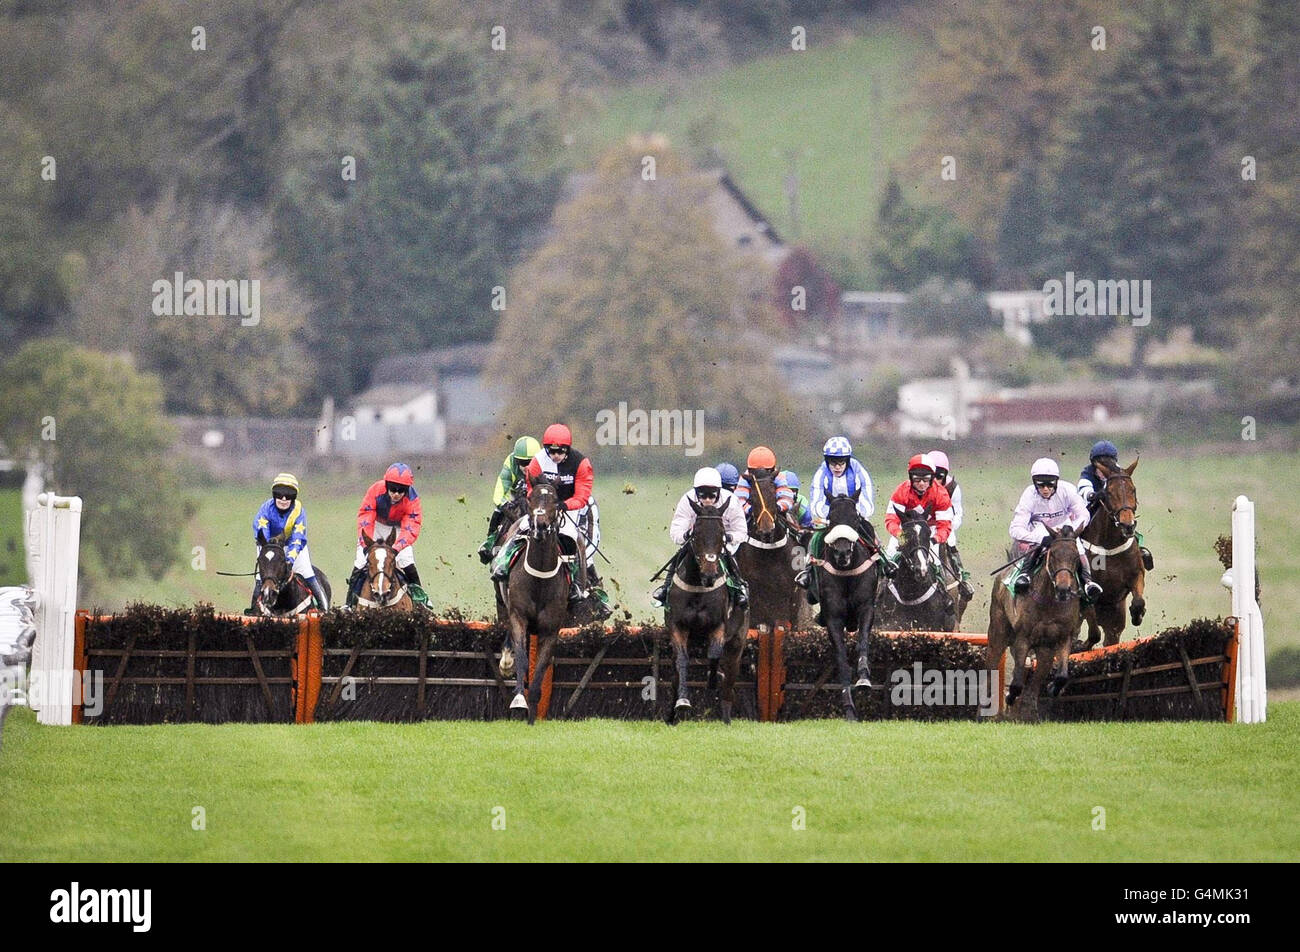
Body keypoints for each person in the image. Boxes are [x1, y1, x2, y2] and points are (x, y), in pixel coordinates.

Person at [511, 423, 608, 615]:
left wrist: (563, 506)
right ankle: (503, 565)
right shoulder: (537, 462)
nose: (555, 455)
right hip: (545, 506)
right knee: (520, 528)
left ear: (567, 449)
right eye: (551, 451)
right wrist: (541, 506)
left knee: (570, 536)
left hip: (571, 507)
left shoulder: (581, 463)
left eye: (560, 451)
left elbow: (582, 495)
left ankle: (578, 586)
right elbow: (531, 488)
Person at [797, 436, 891, 605]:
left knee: (872, 536)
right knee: (815, 540)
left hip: (854, 519)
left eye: (841, 462)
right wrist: (830, 517)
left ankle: (885, 565)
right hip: (830, 520)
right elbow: (816, 500)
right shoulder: (821, 474)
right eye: (833, 462)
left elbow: (867, 496)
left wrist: (857, 514)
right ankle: (808, 572)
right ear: (827, 461)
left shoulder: (858, 470)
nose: (837, 467)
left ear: (847, 460)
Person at [650, 467, 749, 609]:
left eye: (712, 495)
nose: (708, 500)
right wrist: (686, 535)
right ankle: (666, 589)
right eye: (703, 496)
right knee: (680, 555)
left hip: (721, 541)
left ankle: (739, 588)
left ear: (719, 492)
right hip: (696, 542)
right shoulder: (687, 500)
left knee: (729, 557)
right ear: (696, 492)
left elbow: (741, 530)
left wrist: (728, 537)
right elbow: (676, 530)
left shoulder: (731, 501)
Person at [1010, 457, 1102, 601]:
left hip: (1065, 529)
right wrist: (1040, 539)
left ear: (1056, 483)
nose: (1045, 489)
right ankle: (1025, 574)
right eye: (1041, 486)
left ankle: (1088, 582)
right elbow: (1015, 528)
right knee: (1040, 535)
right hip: (1040, 529)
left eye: (1050, 485)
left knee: (1077, 545)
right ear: (1035, 484)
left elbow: (1083, 514)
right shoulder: (1029, 495)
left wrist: (1071, 531)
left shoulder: (1068, 490)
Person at [346, 462, 427, 608]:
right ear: (386, 485)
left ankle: (420, 600)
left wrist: (396, 548)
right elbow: (366, 516)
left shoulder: (412, 500)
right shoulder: (376, 490)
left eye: (401, 490)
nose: (396, 494)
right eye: (393, 489)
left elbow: (411, 526)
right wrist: (366, 546)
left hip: (398, 530)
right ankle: (349, 603)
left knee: (406, 560)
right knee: (360, 561)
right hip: (375, 526)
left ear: (407, 490)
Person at [249, 473, 329, 612]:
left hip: (294, 547)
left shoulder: (299, 512)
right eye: (279, 494)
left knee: (308, 574)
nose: (284, 498)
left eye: (289, 495)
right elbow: (262, 530)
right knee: (260, 580)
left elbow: (297, 538)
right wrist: (269, 547)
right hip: (269, 547)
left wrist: (290, 560)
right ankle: (253, 611)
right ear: (274, 495)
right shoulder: (266, 509)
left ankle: (324, 608)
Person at [1078, 439, 1154, 570]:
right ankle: (1080, 557)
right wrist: (1093, 495)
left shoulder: (1119, 472)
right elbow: (1084, 489)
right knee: (1079, 529)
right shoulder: (1087, 473)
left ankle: (1139, 550)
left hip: (1112, 511)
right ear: (1094, 464)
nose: (1104, 469)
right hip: (1090, 509)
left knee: (1127, 520)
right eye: (1101, 465)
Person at [477, 435, 541, 564]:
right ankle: (490, 543)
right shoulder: (510, 463)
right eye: (521, 462)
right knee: (498, 511)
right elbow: (499, 494)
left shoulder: (544, 464)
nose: (525, 467)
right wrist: (506, 507)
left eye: (529, 462)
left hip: (538, 501)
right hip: (515, 497)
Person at [927, 450, 974, 599]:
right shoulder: (917, 484)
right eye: (931, 476)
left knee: (951, 539)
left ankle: (960, 576)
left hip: (943, 525)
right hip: (920, 525)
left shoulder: (953, 488)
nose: (935, 481)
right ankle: (887, 579)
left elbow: (958, 514)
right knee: (896, 544)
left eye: (939, 476)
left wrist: (947, 528)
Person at [734, 446, 794, 519]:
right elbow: (738, 500)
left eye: (765, 470)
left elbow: (786, 497)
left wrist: (779, 507)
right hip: (751, 513)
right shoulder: (745, 478)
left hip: (775, 511)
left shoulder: (778, 476)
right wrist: (749, 510)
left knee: (789, 518)